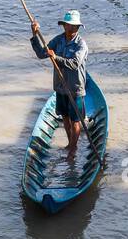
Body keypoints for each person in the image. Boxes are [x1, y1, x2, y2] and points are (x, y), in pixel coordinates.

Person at [30, 10, 88, 159]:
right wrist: (35, 35)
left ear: (78, 28)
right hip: (61, 86)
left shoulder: (81, 44)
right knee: (65, 116)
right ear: (64, 26)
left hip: (75, 87)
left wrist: (56, 57)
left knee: (76, 120)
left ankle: (73, 149)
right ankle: (70, 144)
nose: (71, 28)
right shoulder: (59, 40)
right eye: (68, 25)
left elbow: (74, 64)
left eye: (74, 26)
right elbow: (42, 54)